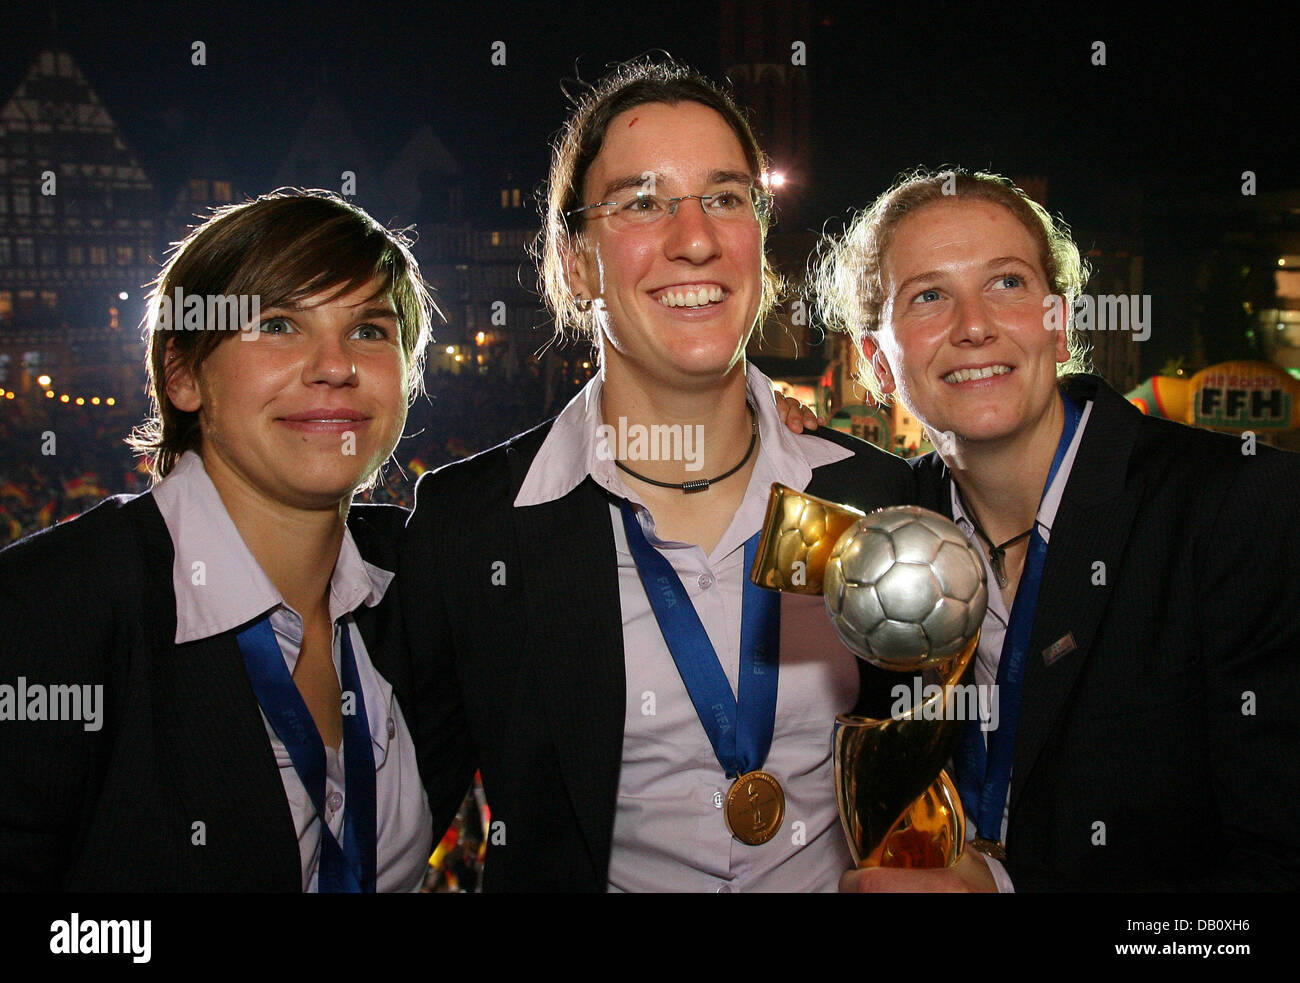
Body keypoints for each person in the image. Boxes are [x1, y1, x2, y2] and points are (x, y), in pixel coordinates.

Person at [398, 60, 915, 891]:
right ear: (575, 261)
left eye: (724, 197)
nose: (696, 237)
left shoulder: (880, 496)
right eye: (642, 202)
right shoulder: (474, 530)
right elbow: (380, 829)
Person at [806, 168, 1300, 891]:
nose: (974, 325)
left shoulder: (1238, 509)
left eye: (1006, 282)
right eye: (930, 295)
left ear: (1060, 323)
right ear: (877, 361)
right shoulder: (884, 531)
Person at [0, 190, 438, 891]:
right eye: (278, 324)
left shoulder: (420, 591)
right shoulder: (48, 611)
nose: (334, 365)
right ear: (183, 374)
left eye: (369, 331)